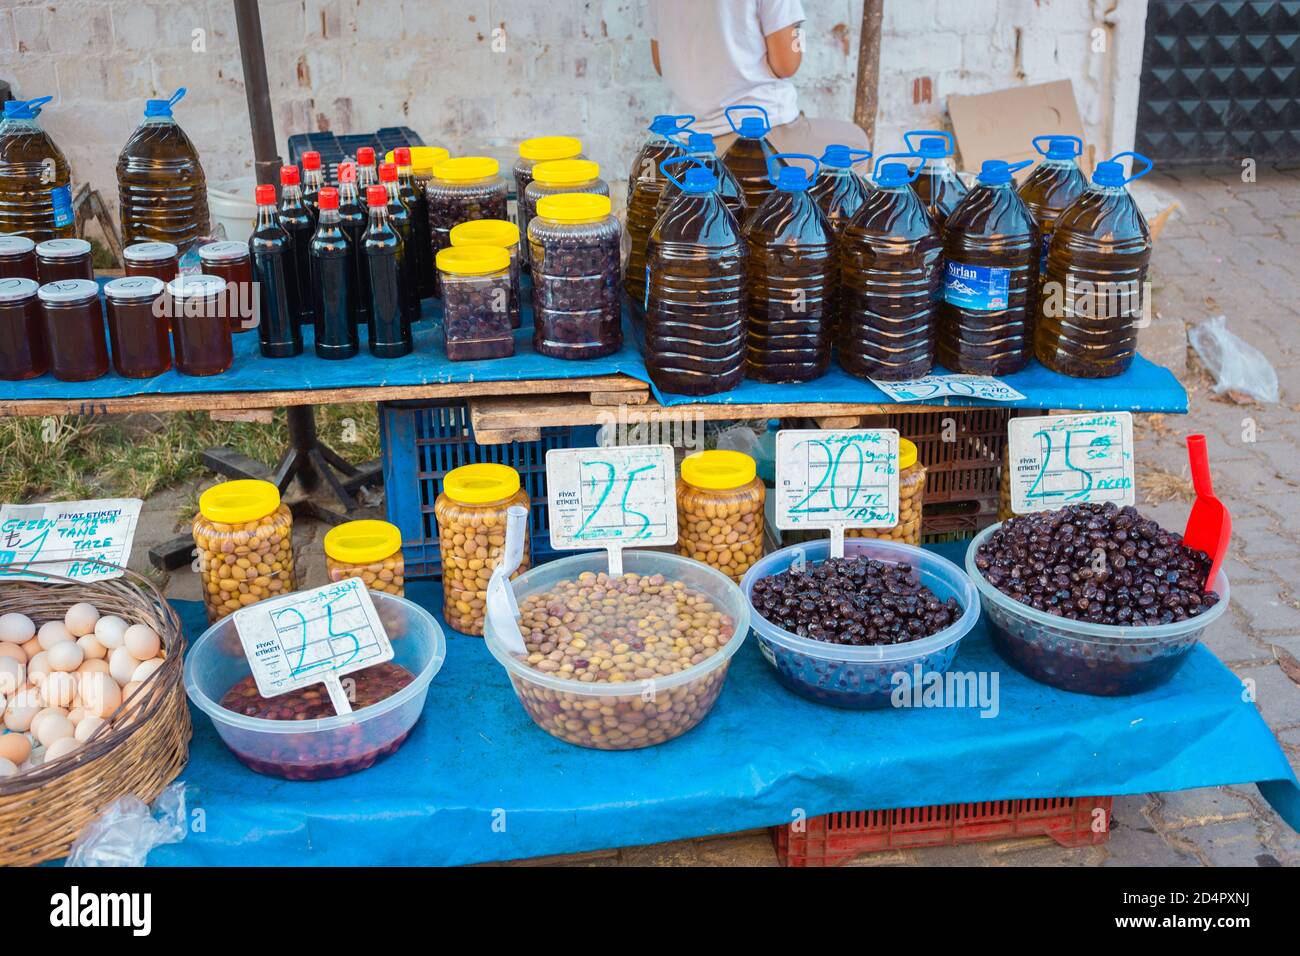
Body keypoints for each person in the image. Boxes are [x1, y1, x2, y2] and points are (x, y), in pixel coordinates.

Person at [647, 0, 870, 158]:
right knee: (855, 143)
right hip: (759, 134)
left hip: (685, 140)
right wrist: (796, 31)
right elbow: (786, 64)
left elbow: (659, 64)